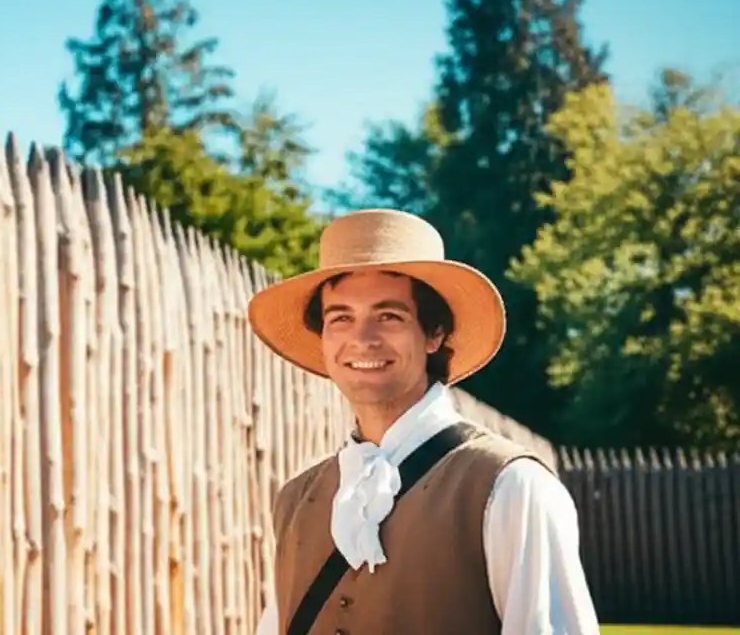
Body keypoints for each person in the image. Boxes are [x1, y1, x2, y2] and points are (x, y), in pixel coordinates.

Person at [247, 208, 600, 635]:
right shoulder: (295, 501)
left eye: (389, 316)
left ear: (435, 334)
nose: (362, 339)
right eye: (340, 317)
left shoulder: (510, 486)